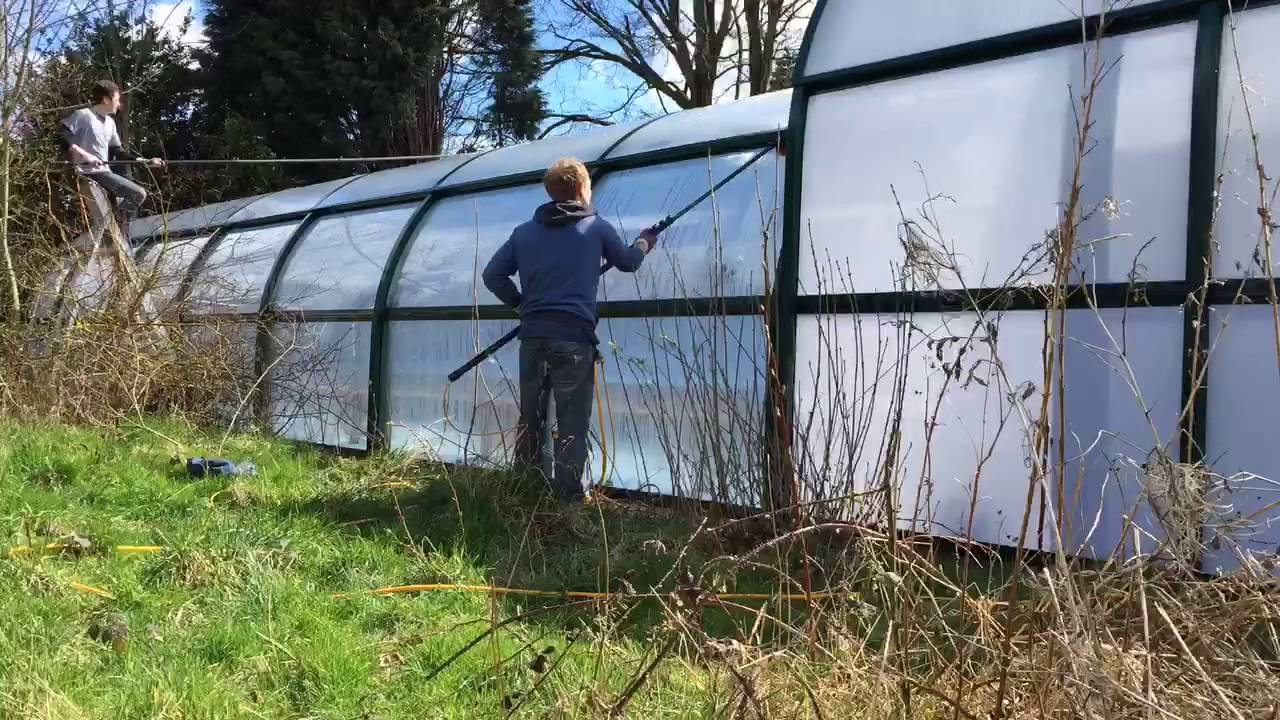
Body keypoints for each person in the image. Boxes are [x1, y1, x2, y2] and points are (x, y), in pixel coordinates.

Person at [483, 157, 659, 503]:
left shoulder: (524, 233)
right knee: (571, 425)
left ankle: (526, 492)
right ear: (581, 189)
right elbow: (628, 263)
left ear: (551, 193)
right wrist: (644, 242)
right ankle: (569, 503)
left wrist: (522, 305)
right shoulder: (596, 228)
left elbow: (492, 276)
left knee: (531, 421)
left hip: (533, 339)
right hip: (573, 342)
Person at [59, 80, 164, 244]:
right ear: (106, 99)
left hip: (104, 173)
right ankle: (113, 226)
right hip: (86, 172)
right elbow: (61, 136)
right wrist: (85, 154)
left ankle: (117, 232)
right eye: (117, 99)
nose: (119, 104)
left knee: (122, 215)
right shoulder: (83, 115)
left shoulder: (110, 123)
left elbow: (117, 152)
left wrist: (144, 161)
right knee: (137, 193)